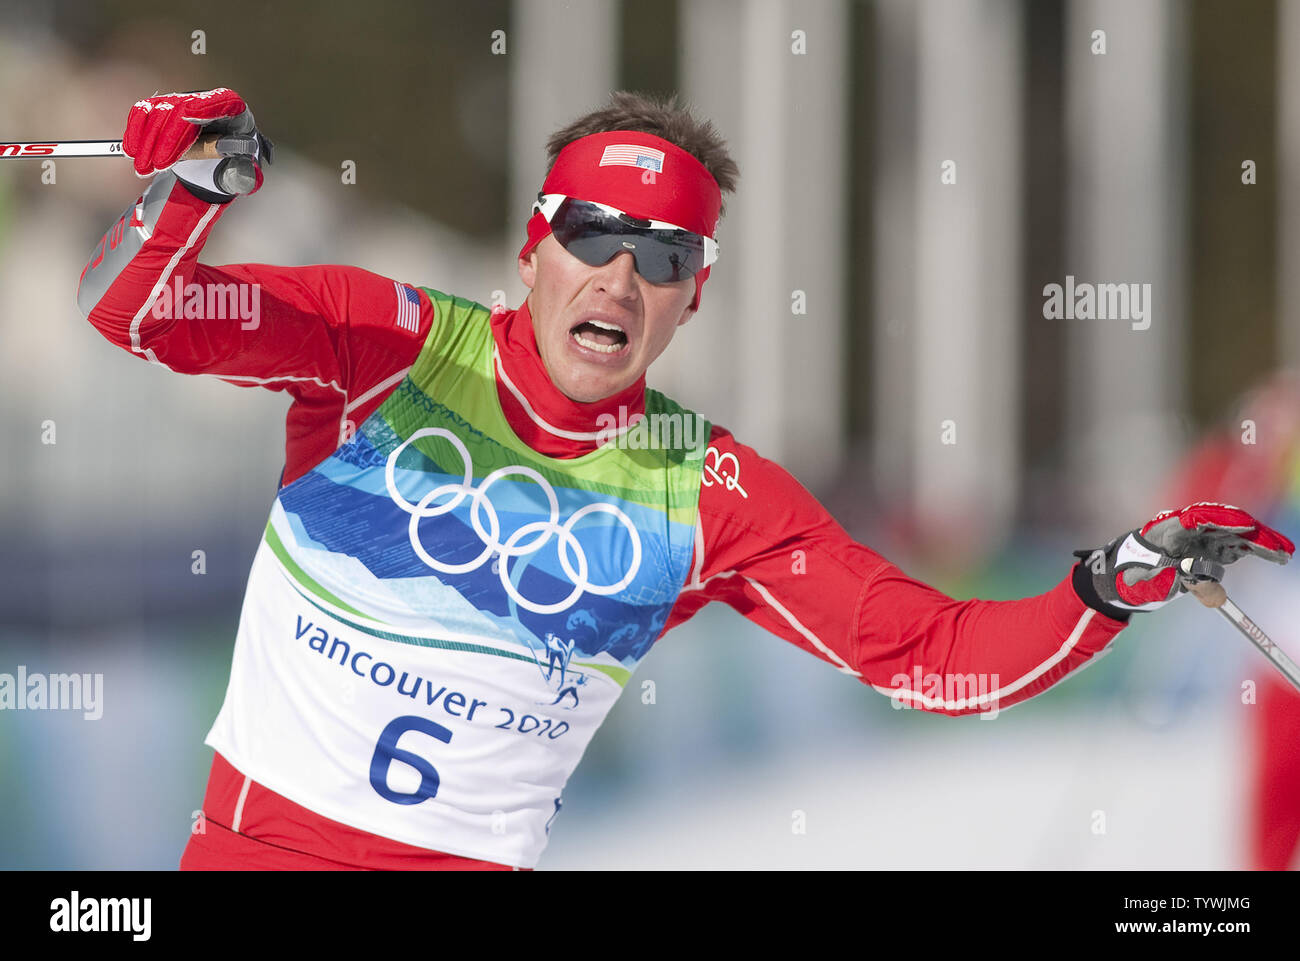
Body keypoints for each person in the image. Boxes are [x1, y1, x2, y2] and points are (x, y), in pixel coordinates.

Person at [77, 87, 1294, 871]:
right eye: (590, 233)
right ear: (534, 249)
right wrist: (186, 192)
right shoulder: (384, 342)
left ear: (691, 295)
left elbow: (928, 655)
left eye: (658, 253)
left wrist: (1108, 580)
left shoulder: (703, 489)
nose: (617, 275)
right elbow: (136, 313)